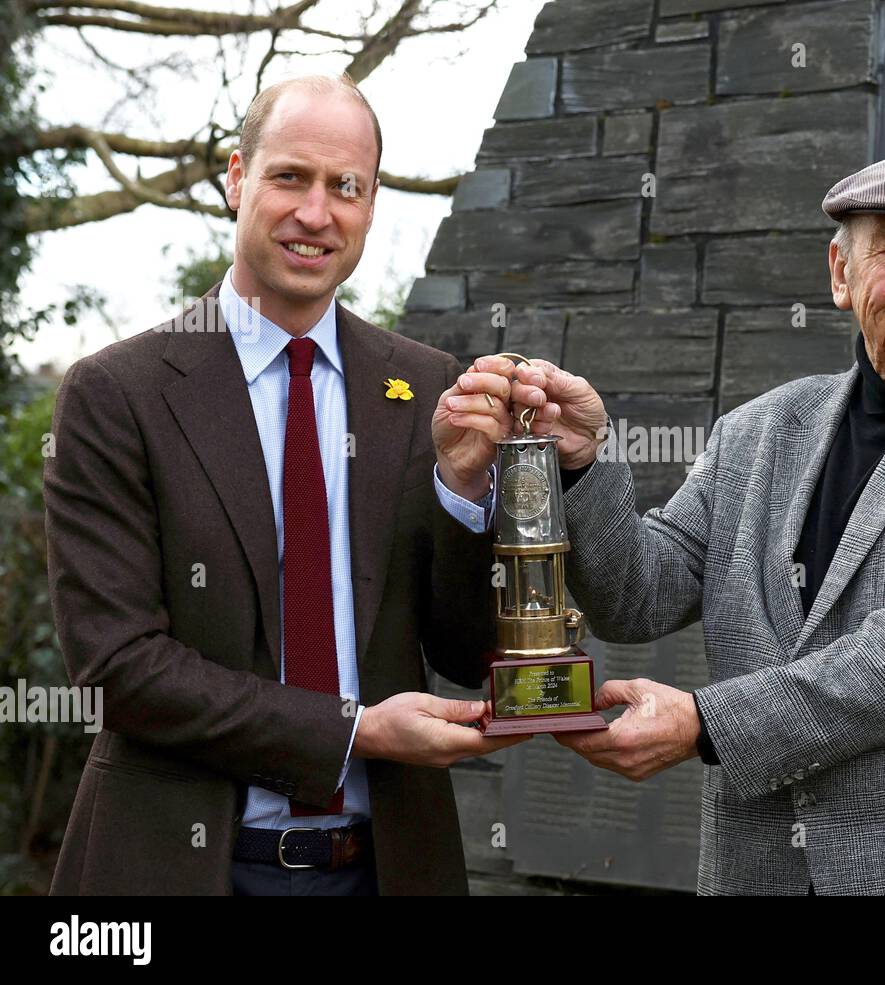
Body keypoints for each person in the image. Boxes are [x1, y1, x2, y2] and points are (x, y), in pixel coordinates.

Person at [460, 151, 885, 895]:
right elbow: (637, 595)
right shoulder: (760, 429)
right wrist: (579, 462)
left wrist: (708, 723)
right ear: (841, 272)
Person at [43, 73, 533, 895]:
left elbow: (461, 649)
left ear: (372, 204)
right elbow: (119, 665)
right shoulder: (115, 393)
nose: (317, 213)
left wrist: (459, 489)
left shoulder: (423, 389)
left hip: (386, 870)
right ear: (237, 177)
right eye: (289, 177)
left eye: (346, 186)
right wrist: (353, 733)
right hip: (181, 868)